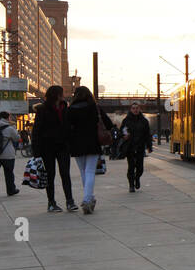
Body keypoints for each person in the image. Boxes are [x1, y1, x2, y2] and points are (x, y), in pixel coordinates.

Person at [67, 86, 114, 214]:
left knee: (83, 172)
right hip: (92, 143)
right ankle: (88, 199)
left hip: (76, 144)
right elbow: (109, 124)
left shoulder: (70, 109)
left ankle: (90, 198)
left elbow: (66, 128)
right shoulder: (95, 108)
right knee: (90, 172)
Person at [32, 85, 78, 214]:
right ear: (57, 94)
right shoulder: (42, 109)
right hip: (47, 147)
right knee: (50, 175)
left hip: (63, 146)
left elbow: (69, 127)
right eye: (62, 93)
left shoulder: (65, 108)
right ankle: (51, 202)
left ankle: (70, 201)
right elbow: (36, 131)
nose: (63, 95)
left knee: (65, 174)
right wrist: (36, 152)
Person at [120, 102, 154, 192]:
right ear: (131, 110)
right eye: (133, 108)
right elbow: (121, 132)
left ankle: (137, 178)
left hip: (140, 147)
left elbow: (147, 135)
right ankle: (131, 185)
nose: (135, 110)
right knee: (131, 167)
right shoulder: (126, 120)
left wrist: (149, 146)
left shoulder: (144, 121)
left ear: (139, 109)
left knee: (140, 168)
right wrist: (124, 135)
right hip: (130, 147)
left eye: (137, 108)